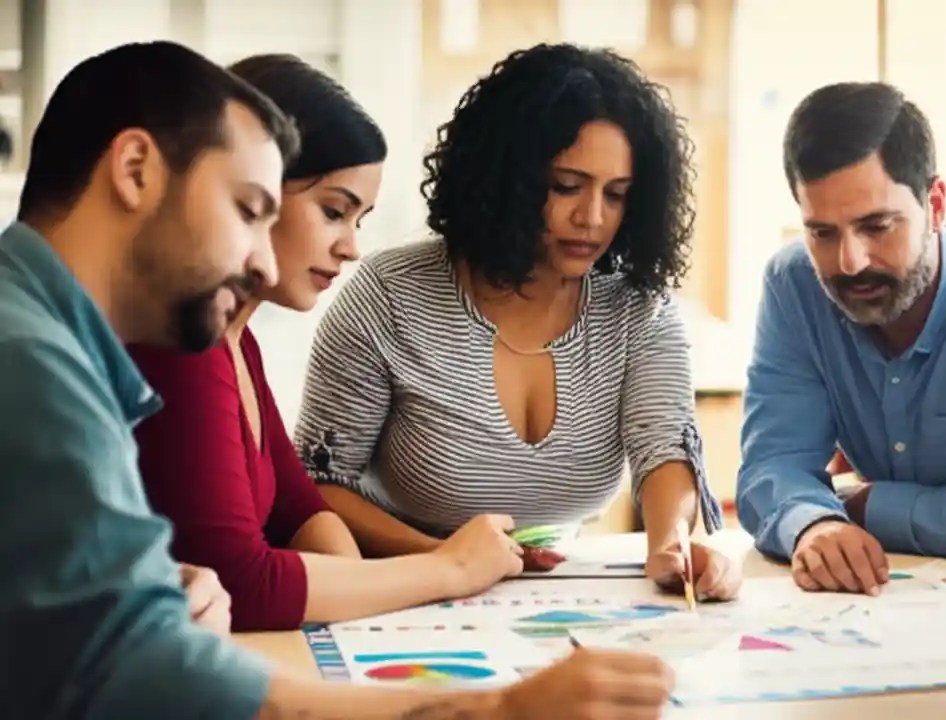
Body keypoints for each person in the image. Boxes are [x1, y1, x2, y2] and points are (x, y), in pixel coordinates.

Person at [0, 40, 673, 719]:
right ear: (136, 169)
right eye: (246, 209)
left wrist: (149, 592)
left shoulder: (52, 341)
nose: (260, 265)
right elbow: (168, 674)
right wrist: (501, 709)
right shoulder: (36, 367)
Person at [292, 43, 741, 601]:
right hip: (395, 590)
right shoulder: (390, 295)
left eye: (617, 194)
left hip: (552, 598)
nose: (592, 217)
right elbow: (315, 485)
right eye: (566, 186)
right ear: (507, 177)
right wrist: (444, 560)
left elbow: (662, 450)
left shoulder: (640, 310)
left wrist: (671, 545)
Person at [128, 54, 525, 632]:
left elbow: (298, 510)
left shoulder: (239, 341)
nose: (351, 248)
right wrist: (448, 568)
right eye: (334, 211)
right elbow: (243, 580)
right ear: (254, 190)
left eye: (359, 220)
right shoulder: (183, 345)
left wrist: (352, 581)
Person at [735, 81, 946, 594]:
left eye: (877, 226)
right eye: (822, 233)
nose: (851, 261)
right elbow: (774, 466)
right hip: (886, 606)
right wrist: (815, 524)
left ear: (935, 204)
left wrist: (865, 504)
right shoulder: (794, 284)